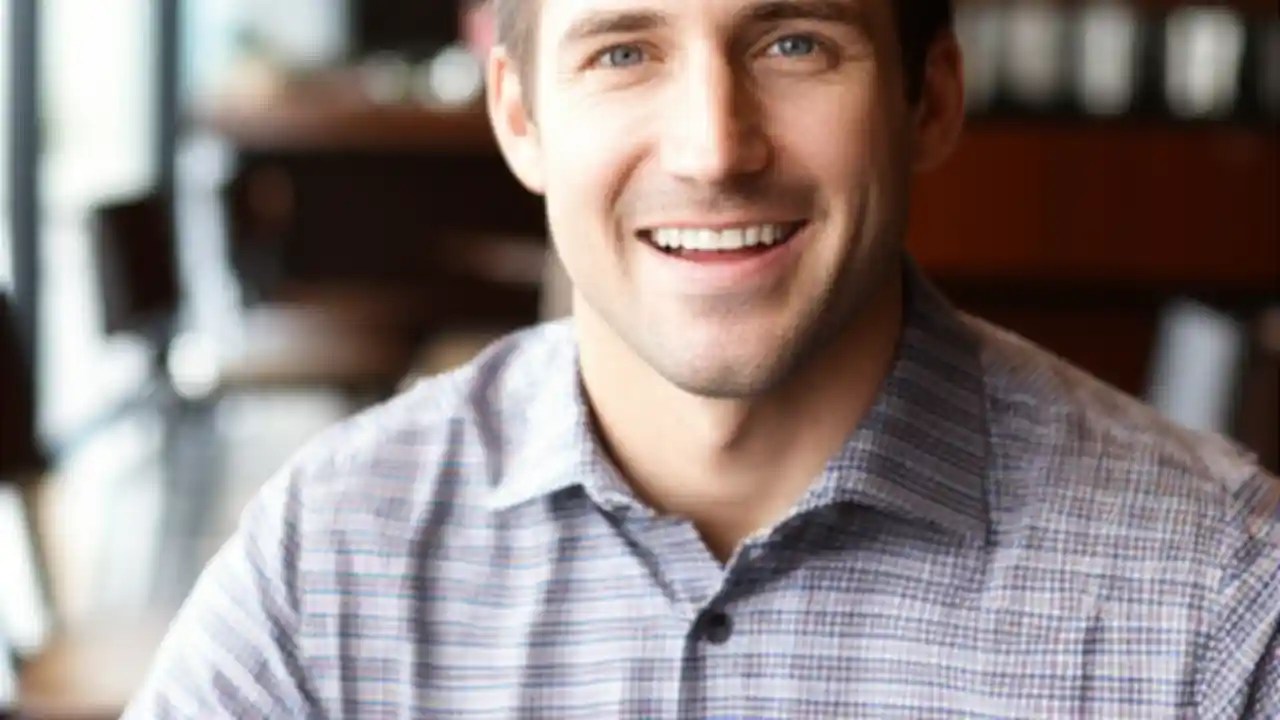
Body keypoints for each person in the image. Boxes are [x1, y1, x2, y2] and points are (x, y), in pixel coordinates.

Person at [126, 0, 1279, 717]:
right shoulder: (331, 557)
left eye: (792, 42)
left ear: (926, 101)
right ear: (519, 119)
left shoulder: (1218, 598)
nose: (713, 147)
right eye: (624, 49)